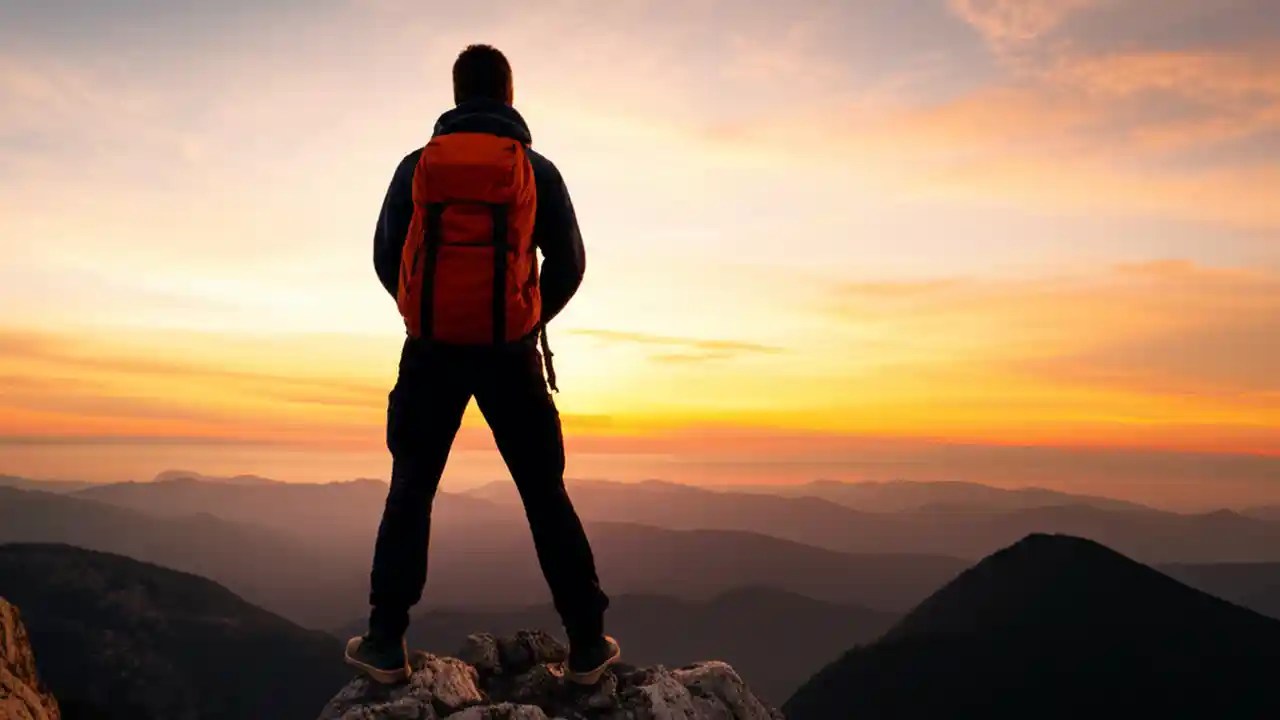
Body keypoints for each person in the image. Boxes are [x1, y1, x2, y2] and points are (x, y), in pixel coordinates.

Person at [345, 44, 618, 686]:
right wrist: (524, 317)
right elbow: (571, 264)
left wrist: (424, 312)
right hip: (510, 354)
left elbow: (387, 255)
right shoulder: (535, 170)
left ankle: (385, 642)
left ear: (457, 94)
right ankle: (585, 643)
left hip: (430, 351)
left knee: (412, 488)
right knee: (544, 494)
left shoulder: (417, 167)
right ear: (509, 95)